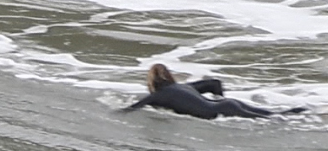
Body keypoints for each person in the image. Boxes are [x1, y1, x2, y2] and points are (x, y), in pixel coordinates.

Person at [124, 63, 305, 119]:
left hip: (222, 111)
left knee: (276, 121)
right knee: (278, 115)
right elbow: (215, 83)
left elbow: (131, 109)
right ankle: (306, 110)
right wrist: (220, 99)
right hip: (228, 104)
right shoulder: (186, 86)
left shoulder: (158, 96)